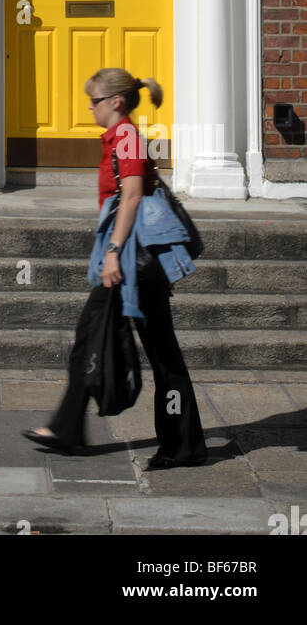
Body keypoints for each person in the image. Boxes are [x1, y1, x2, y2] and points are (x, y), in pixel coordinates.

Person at [23, 69, 208, 470]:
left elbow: (133, 197)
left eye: (94, 100)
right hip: (135, 263)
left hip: (131, 264)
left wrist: (113, 253)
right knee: (107, 340)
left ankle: (183, 445)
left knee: (155, 352)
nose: (89, 106)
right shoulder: (118, 138)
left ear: (116, 103)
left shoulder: (126, 137)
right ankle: (71, 429)